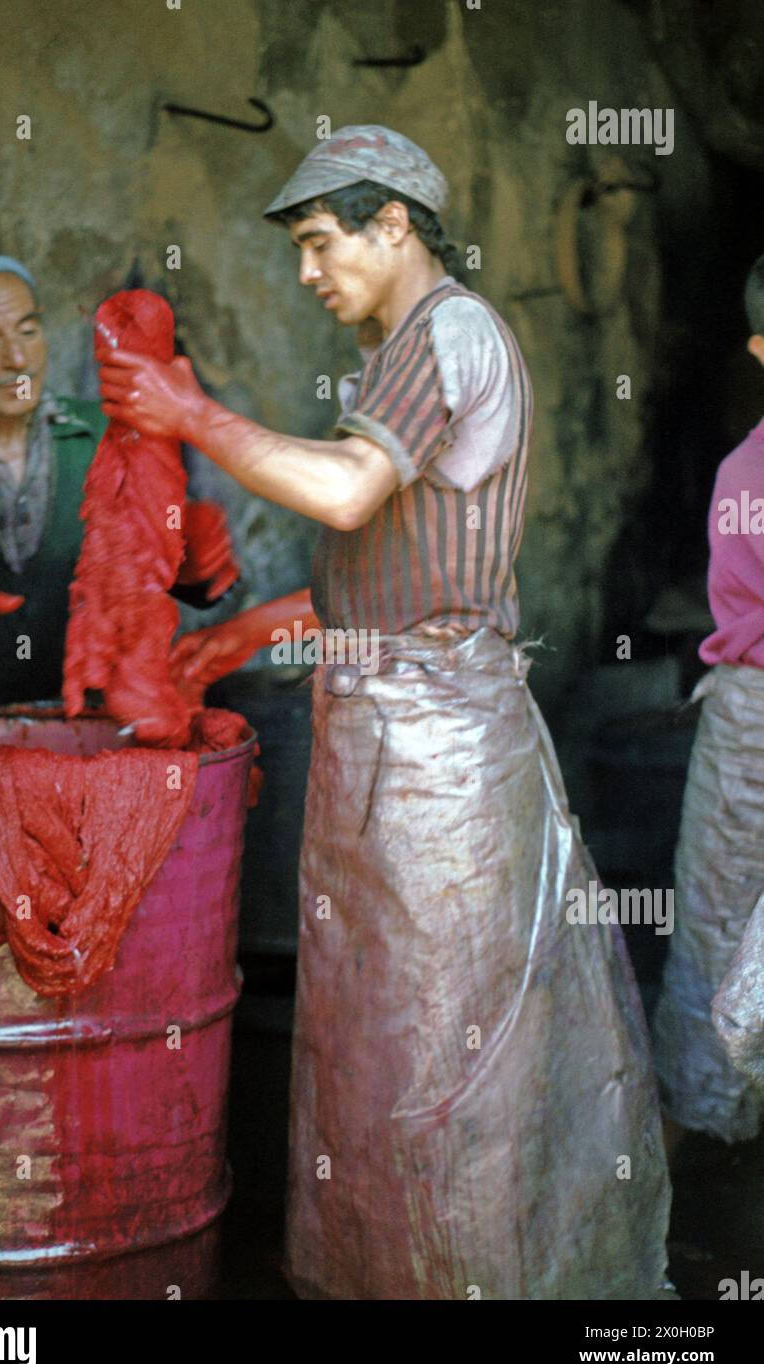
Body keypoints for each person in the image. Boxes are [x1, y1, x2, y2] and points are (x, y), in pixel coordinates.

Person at [97, 125, 672, 1300]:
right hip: (408, 739)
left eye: (319, 243)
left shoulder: (444, 331)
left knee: (436, 1062)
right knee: (382, 1048)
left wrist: (188, 410)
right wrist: (243, 634)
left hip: (437, 763)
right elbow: (394, 566)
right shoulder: (413, 348)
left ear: (394, 223)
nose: (308, 273)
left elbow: (351, 489)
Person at [0, 252, 238, 706]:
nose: (17, 359)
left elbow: (157, 581)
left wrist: (194, 570)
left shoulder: (105, 432)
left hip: (89, 727)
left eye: (28, 331)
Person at [653, 253, 764, 1156]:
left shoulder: (740, 471)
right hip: (752, 716)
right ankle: (705, 1120)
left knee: (720, 921)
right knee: (719, 924)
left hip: (745, 712)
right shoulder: (743, 477)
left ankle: (707, 1114)